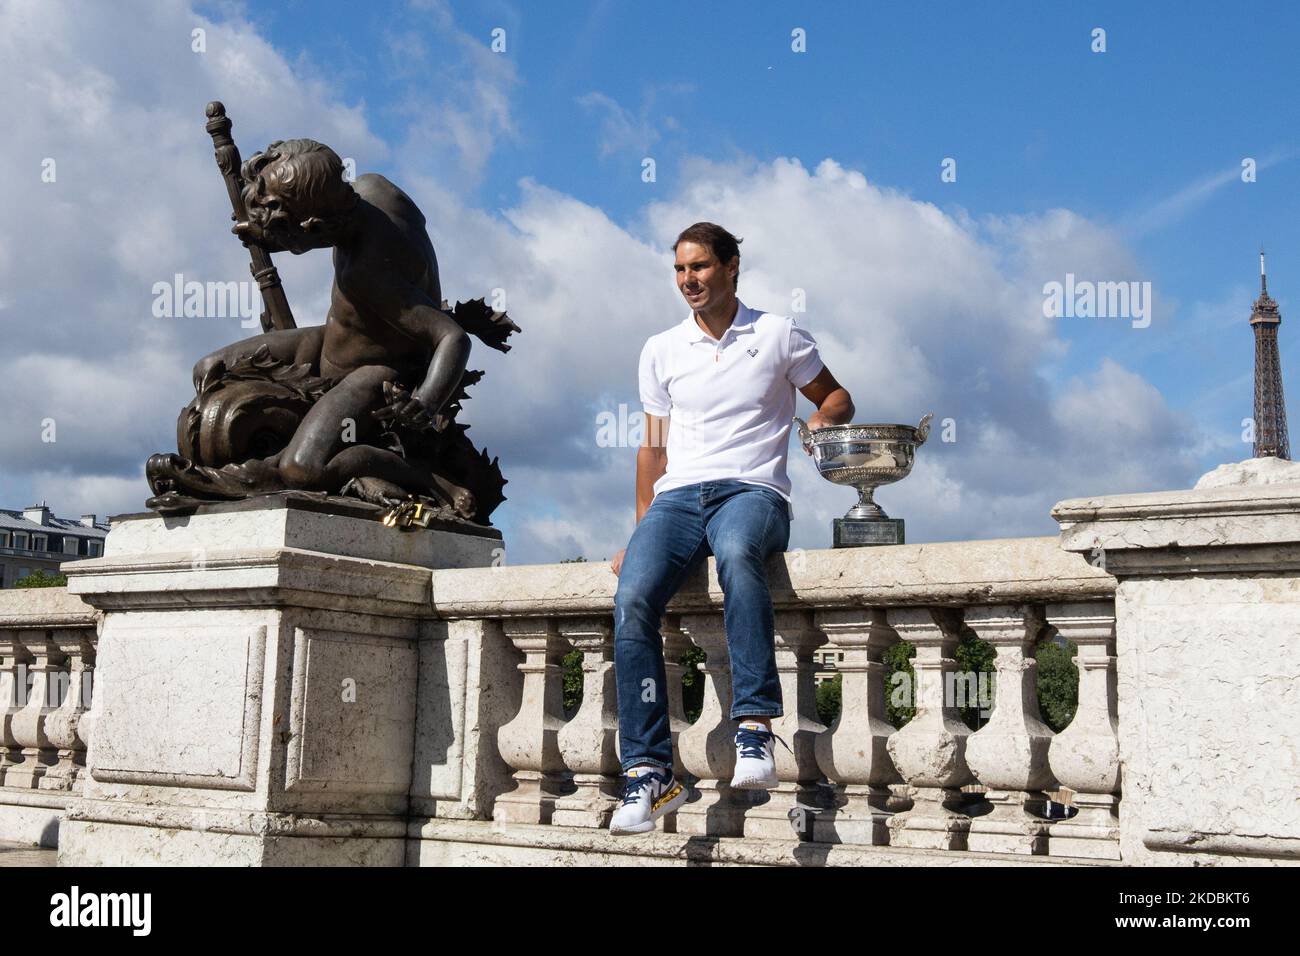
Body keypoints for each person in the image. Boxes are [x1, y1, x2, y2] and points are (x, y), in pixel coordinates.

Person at [608, 222, 854, 834]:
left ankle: (754, 728)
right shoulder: (660, 349)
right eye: (680, 270)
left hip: (753, 490)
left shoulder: (778, 334)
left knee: (741, 555)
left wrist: (821, 422)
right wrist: (641, 531)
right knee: (634, 596)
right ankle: (649, 772)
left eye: (700, 267)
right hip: (678, 498)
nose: (688, 280)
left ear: (731, 266)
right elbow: (652, 450)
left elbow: (837, 397)